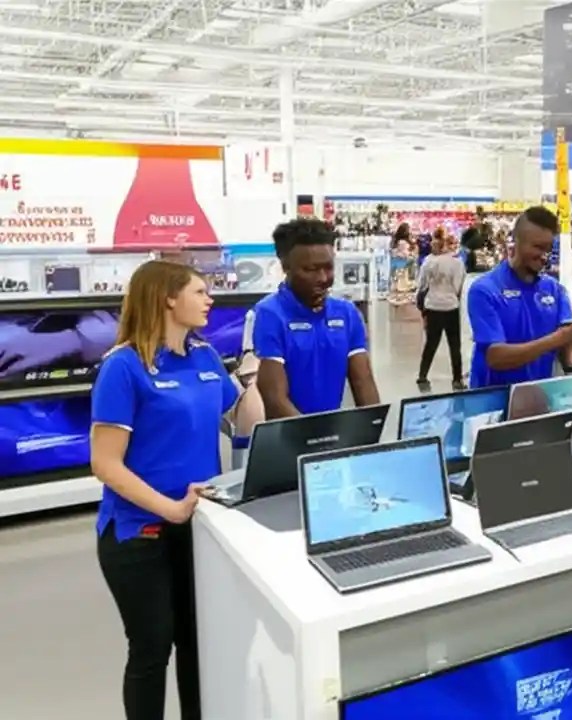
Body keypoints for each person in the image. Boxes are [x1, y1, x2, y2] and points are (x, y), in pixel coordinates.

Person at [91, 260, 241, 720]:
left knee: (197, 646)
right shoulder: (123, 367)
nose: (209, 299)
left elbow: (242, 421)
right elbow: (106, 464)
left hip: (197, 529)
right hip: (140, 534)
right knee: (152, 649)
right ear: (167, 299)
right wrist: (171, 510)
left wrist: (256, 374)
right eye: (199, 291)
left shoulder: (205, 356)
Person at [253, 218, 381, 419]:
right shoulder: (267, 315)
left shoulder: (347, 313)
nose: (322, 278)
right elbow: (274, 398)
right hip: (285, 438)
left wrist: (374, 431)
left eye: (328, 267)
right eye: (310, 270)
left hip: (329, 434)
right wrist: (314, 439)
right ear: (285, 266)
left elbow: (363, 383)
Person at [467, 205, 572, 389]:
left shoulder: (555, 290)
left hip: (537, 399)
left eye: (548, 248)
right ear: (515, 243)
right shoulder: (485, 290)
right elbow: (496, 357)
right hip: (489, 404)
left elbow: (569, 358)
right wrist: (559, 338)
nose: (544, 256)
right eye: (538, 247)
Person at [416, 233, 467, 392]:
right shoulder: (456, 263)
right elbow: (459, 285)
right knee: (454, 345)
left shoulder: (428, 262)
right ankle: (457, 379)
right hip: (451, 306)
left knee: (431, 343)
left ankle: (422, 376)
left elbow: (422, 284)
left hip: (432, 305)